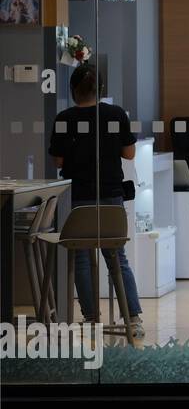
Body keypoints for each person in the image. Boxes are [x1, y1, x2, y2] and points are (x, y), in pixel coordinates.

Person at [48, 63, 144, 337]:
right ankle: (133, 318)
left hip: (78, 200)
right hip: (112, 197)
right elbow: (129, 154)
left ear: (73, 90)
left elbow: (58, 159)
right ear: (100, 89)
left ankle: (91, 318)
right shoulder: (115, 114)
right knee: (117, 257)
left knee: (79, 257)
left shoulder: (64, 119)